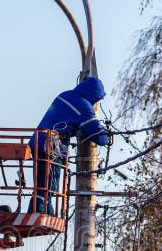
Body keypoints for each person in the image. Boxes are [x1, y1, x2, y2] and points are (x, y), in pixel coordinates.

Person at [27, 77, 110, 214]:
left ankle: (40, 207)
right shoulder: (84, 107)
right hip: (52, 145)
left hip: (38, 141)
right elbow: (98, 135)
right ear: (94, 95)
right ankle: (41, 209)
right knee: (50, 180)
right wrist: (107, 136)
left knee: (41, 180)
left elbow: (65, 119)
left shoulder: (65, 95)